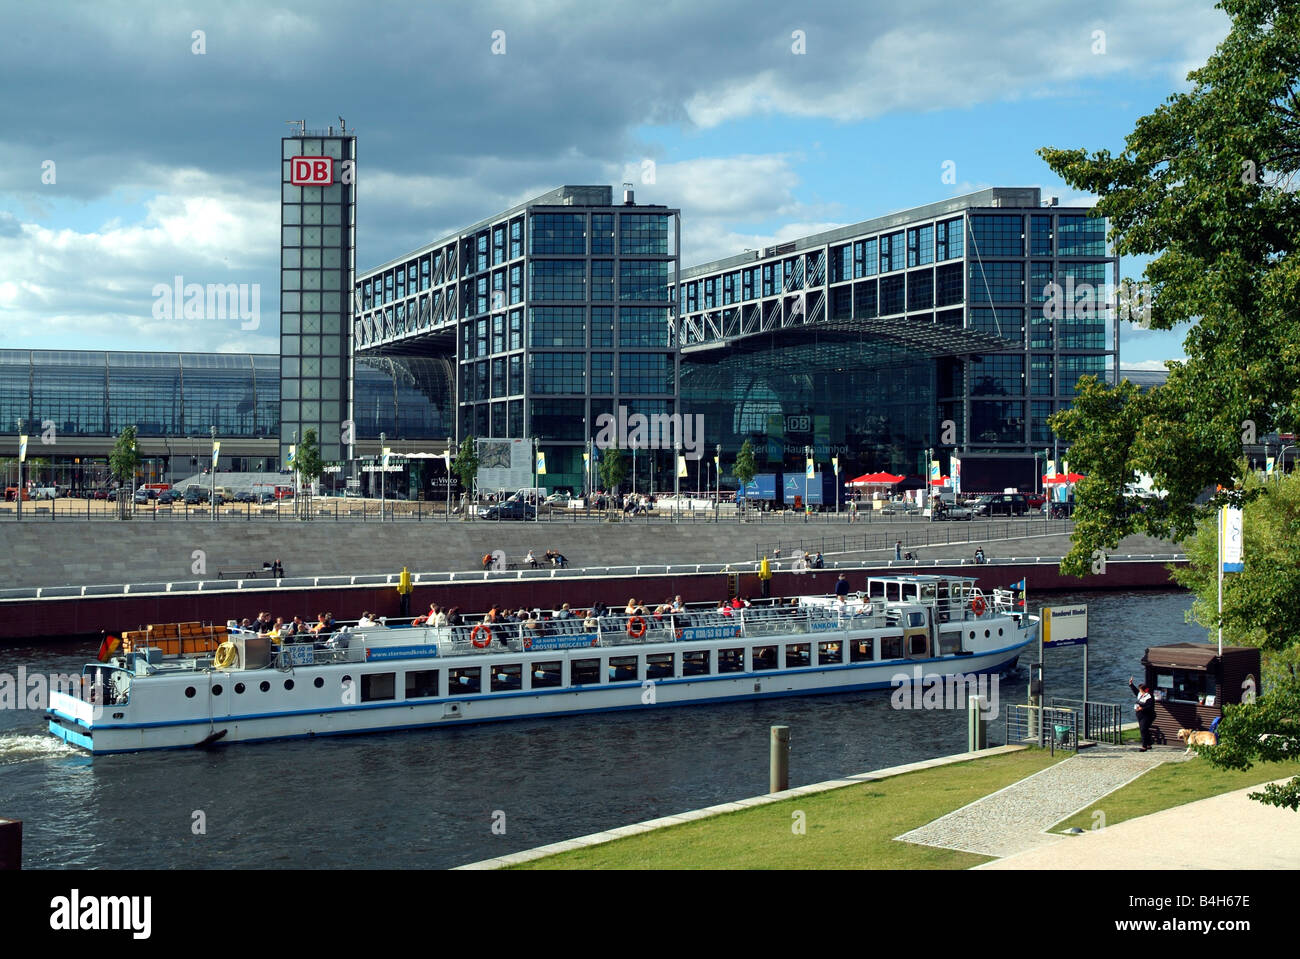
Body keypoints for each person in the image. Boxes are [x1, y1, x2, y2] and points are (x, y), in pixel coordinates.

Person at [1129, 676, 1156, 751]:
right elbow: (1135, 691)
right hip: (1139, 714)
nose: (1139, 691)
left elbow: (1150, 706)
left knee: (1143, 729)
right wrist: (1131, 684)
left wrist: (1142, 708)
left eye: (1140, 690)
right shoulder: (1140, 694)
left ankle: (1144, 746)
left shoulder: (1149, 696)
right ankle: (1149, 743)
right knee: (1145, 729)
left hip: (1147, 715)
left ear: (1144, 690)